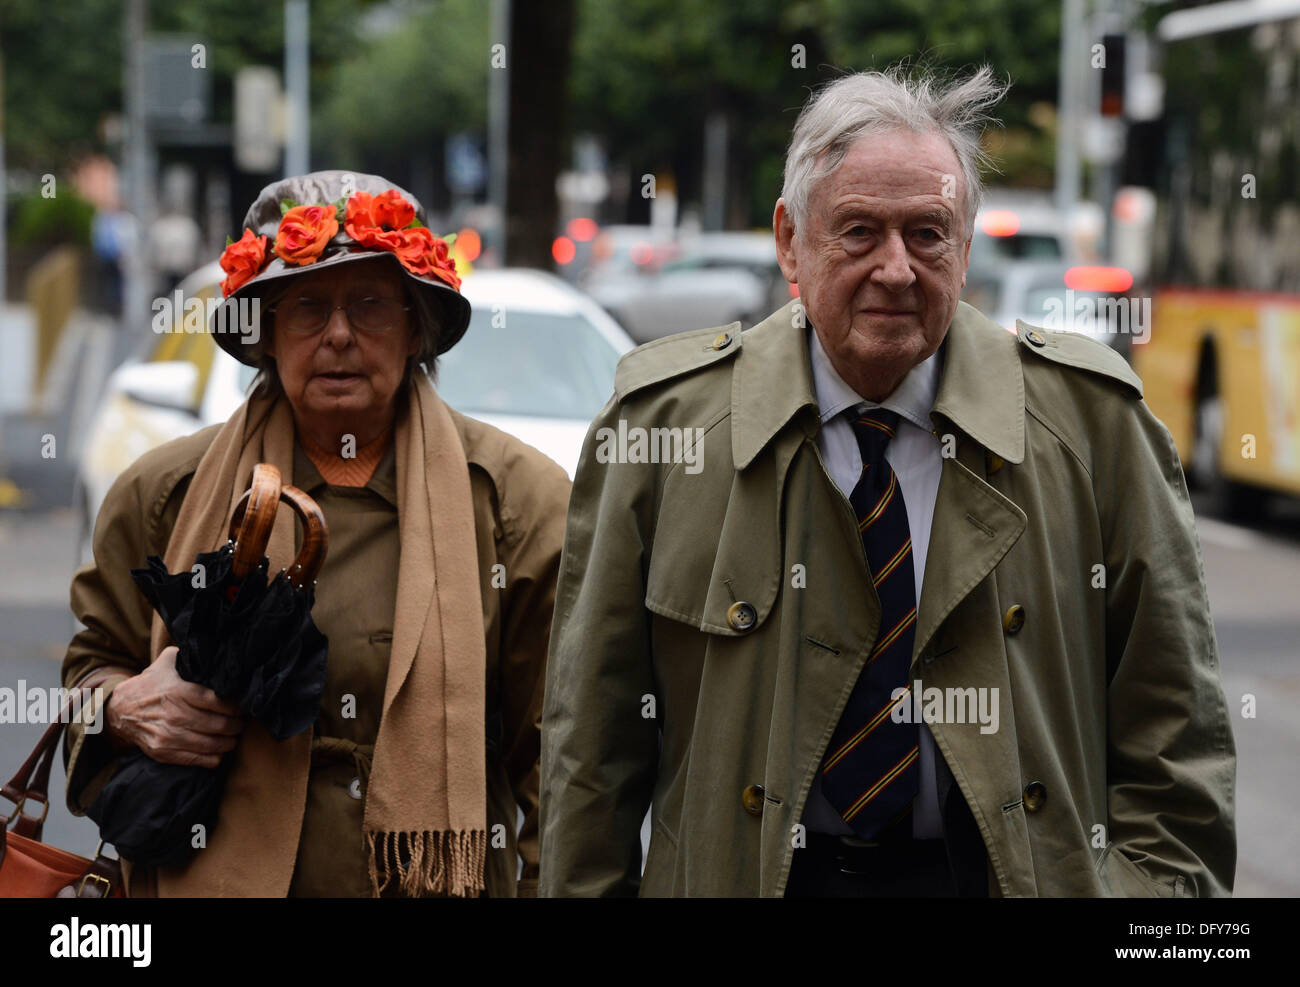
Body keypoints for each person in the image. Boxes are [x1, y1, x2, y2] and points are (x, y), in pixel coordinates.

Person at [538, 66, 1237, 897]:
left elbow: (1177, 739)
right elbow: (591, 750)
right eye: (859, 232)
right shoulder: (662, 432)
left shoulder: (1094, 430)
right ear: (791, 242)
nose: (897, 269)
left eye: (928, 234)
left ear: (968, 247)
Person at [62, 171, 571, 898]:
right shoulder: (165, 495)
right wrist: (123, 707)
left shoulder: (517, 503)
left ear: (416, 324)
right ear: (265, 331)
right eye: (306, 306)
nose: (338, 335)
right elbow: (90, 671)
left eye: (369, 304)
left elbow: (560, 760)